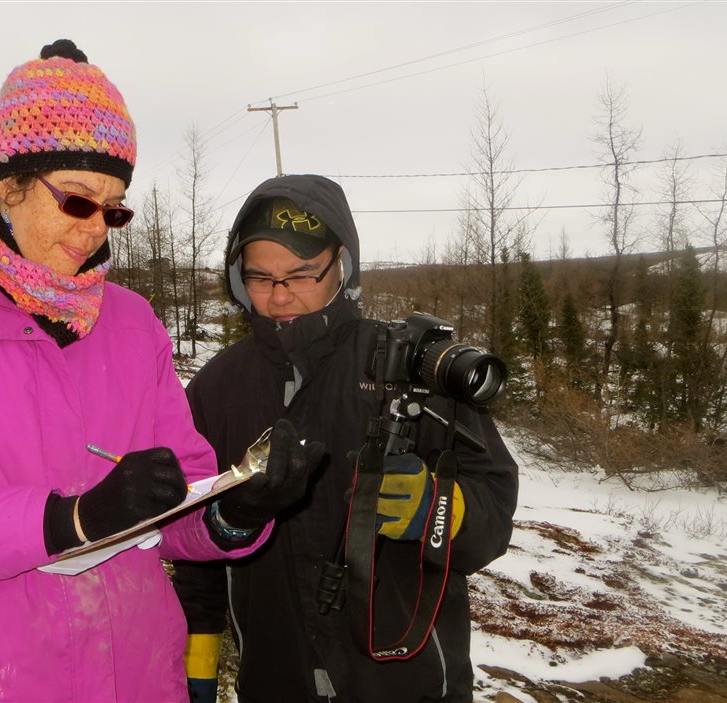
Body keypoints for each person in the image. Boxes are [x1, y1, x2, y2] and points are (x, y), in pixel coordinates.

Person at [0, 40, 318, 702]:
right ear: (9, 184)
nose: (95, 231)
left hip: (132, 677)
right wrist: (66, 520)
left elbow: (178, 503)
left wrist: (239, 506)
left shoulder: (132, 324)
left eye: (114, 208)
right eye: (78, 200)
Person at [172, 174, 519, 703]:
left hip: (409, 677)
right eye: (260, 278)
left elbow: (493, 506)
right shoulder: (217, 388)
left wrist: (438, 509)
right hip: (275, 676)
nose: (280, 296)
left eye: (302, 274)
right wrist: (199, 656)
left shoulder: (406, 367)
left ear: (342, 264)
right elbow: (196, 535)